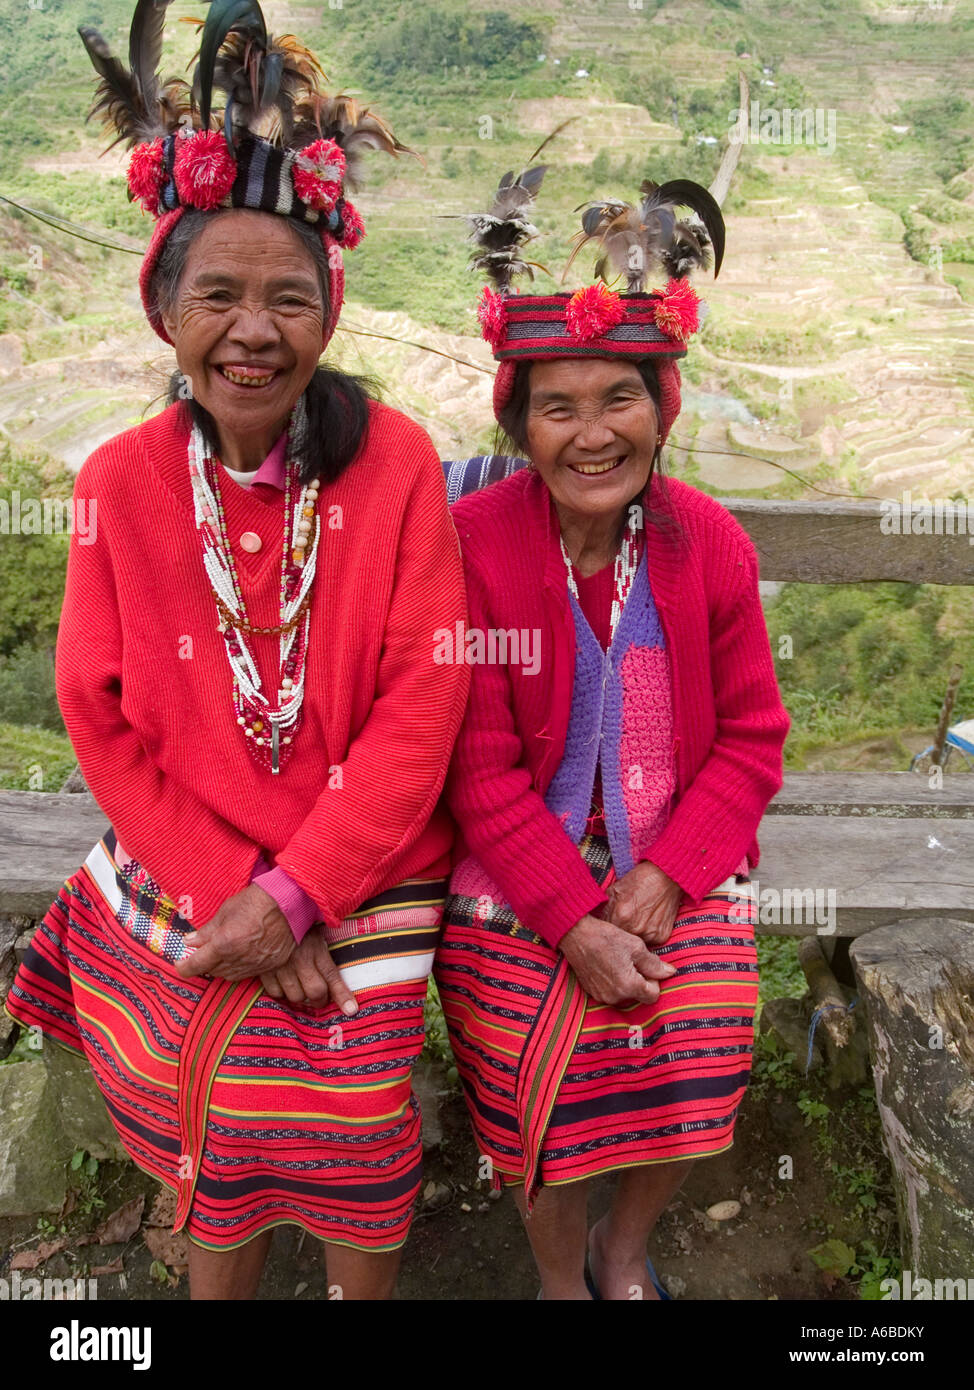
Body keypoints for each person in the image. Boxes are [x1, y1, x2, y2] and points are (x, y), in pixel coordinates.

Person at [6, 1, 468, 1301]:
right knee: (215, 1122)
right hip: (189, 852)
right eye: (217, 293)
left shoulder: (395, 469)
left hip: (364, 865)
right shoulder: (119, 480)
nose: (251, 328)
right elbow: (96, 716)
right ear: (168, 310)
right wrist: (235, 891)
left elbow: (423, 703)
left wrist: (301, 891)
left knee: (350, 1119)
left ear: (330, 315)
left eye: (286, 297)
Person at [435, 165, 790, 1299]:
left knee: (702, 1017)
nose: (591, 434)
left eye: (617, 399)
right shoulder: (476, 544)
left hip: (668, 855)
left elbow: (748, 741)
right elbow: (475, 766)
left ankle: (620, 1249)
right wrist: (573, 916)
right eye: (556, 406)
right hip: (518, 862)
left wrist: (669, 879)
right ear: (518, 423)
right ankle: (555, 1272)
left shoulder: (706, 545)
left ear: (660, 408)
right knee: (524, 1031)